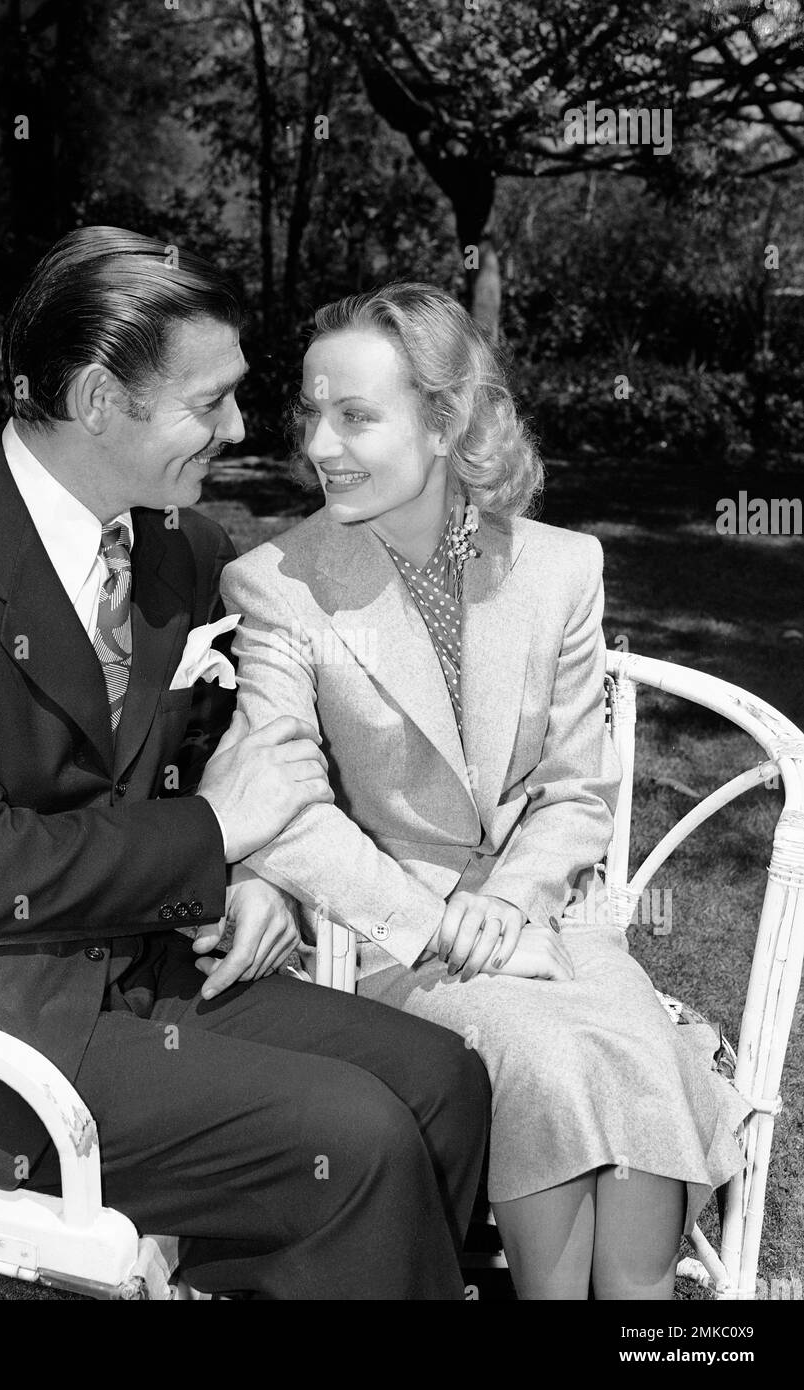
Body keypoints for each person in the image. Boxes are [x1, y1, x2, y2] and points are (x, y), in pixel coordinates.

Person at [0, 232, 491, 1301]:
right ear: (101, 399)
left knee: (440, 1080)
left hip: (150, 969)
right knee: (356, 1140)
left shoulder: (181, 549)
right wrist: (211, 835)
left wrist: (262, 876)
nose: (240, 430)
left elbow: (265, 723)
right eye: (210, 403)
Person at [219, 282, 751, 1300]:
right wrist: (434, 920)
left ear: (444, 417)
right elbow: (278, 803)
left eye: (355, 415)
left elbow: (574, 791)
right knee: (554, 1064)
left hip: (555, 925)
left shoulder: (560, 569)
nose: (318, 443)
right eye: (309, 411)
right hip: (395, 945)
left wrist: (510, 900)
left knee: (637, 1063)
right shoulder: (280, 582)